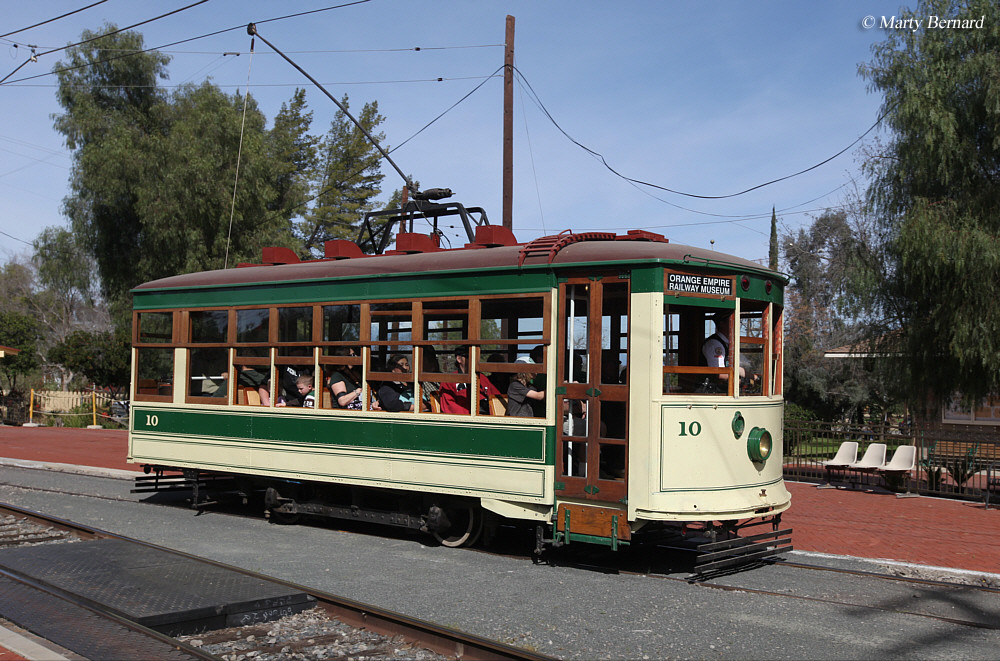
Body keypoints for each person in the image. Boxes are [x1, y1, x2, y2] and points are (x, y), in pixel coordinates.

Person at [440, 348, 501, 414]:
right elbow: (449, 407)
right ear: (459, 359)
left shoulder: (482, 378)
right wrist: (473, 414)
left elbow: (497, 398)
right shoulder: (449, 380)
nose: (474, 360)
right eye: (469, 357)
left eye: (476, 357)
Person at [700, 311, 745, 392]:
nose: (737, 324)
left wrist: (753, 377)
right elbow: (719, 373)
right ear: (722, 323)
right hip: (711, 392)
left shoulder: (727, 343)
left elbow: (735, 368)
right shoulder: (714, 344)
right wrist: (739, 379)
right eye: (732, 321)